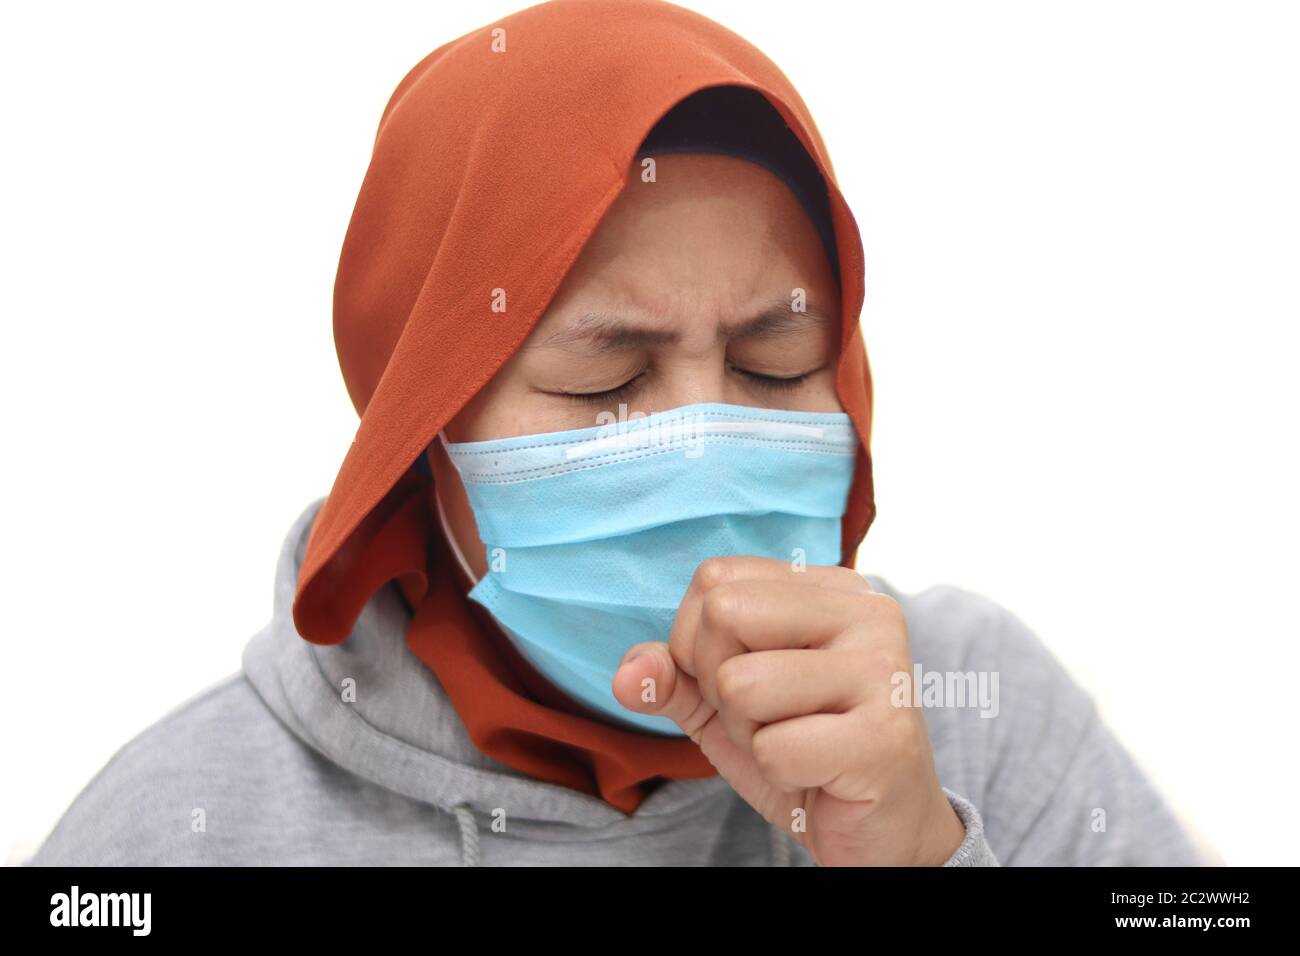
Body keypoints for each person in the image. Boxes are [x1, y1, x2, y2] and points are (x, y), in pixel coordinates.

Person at [26, 0, 1210, 866]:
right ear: (424, 419)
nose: (701, 441)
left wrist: (917, 854)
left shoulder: (976, 712)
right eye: (603, 381)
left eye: (772, 362)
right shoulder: (182, 828)